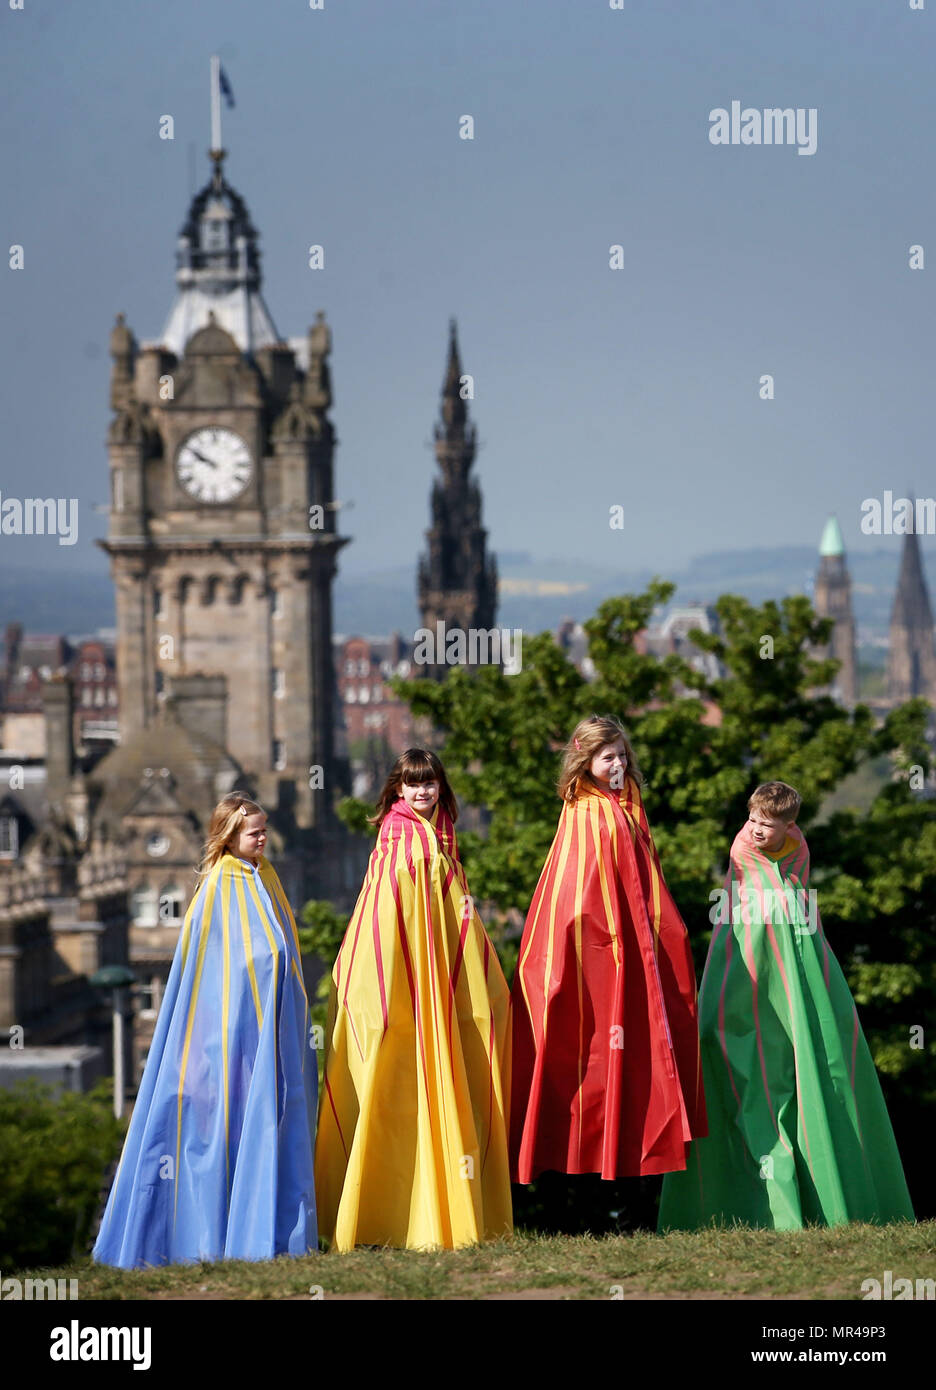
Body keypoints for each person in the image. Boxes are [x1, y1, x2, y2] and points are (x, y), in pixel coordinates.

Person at [657, 780, 915, 1230]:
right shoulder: (743, 850)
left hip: (794, 964)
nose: (756, 830)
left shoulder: (798, 849)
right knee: (743, 1070)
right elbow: (758, 903)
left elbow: (792, 898)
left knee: (816, 1060)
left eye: (767, 824)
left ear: (789, 825)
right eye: (753, 820)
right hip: (749, 960)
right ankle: (755, 1201)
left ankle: (826, 1195)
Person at [93, 793, 318, 1268]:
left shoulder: (267, 877)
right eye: (253, 831)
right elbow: (215, 973)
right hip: (226, 1044)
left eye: (263, 829)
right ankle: (207, 1242)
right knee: (216, 1140)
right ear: (229, 835)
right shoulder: (218, 887)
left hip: (268, 1037)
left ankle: (271, 1238)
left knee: (270, 1128)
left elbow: (276, 952)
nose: (262, 837)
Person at [315, 748, 512, 1251]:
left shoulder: (441, 838)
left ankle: (437, 1216)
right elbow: (384, 919)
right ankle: (391, 1218)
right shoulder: (401, 838)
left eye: (431, 784)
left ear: (442, 789)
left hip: (436, 992)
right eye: (413, 784)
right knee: (396, 1092)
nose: (423, 792)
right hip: (404, 993)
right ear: (397, 790)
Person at [510, 715, 706, 1185]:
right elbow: (575, 885)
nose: (617, 762)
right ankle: (589, 1161)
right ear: (586, 761)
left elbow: (645, 875)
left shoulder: (630, 801)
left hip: (639, 939)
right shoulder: (582, 809)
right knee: (592, 1044)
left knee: (653, 1033)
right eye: (607, 756)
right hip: (598, 944)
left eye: (622, 754)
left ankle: (645, 1148)